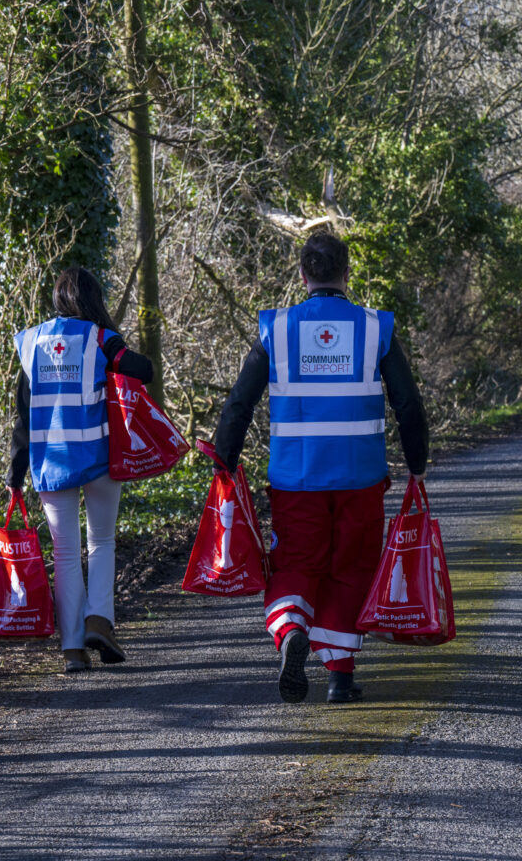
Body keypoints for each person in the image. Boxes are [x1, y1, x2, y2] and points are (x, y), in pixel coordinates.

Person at [213, 231, 429, 704]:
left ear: (303, 274)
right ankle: (340, 678)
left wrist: (224, 458)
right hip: (361, 478)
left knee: (296, 563)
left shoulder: (278, 329)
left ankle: (291, 627)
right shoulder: (375, 328)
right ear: (348, 273)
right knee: (350, 570)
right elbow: (408, 404)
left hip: (296, 479)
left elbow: (239, 403)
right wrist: (417, 464)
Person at [8, 267, 155, 673]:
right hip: (99, 457)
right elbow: (142, 370)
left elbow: (23, 415)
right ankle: (99, 622)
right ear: (94, 299)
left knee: (66, 553)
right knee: (101, 543)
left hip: (51, 461)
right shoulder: (101, 340)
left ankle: (73, 649)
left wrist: (14, 476)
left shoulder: (32, 342)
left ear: (57, 299)